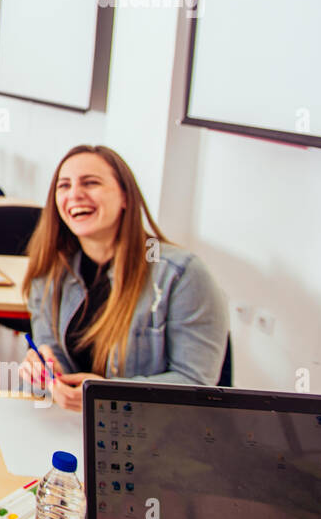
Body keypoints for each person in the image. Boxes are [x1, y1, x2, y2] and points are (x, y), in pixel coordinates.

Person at [18, 145, 228, 411]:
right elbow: (52, 349)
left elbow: (196, 384)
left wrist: (109, 395)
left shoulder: (181, 274)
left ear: (126, 197)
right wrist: (48, 370)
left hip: (151, 433)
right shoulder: (51, 271)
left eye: (90, 183)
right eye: (64, 186)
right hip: (70, 422)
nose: (75, 195)